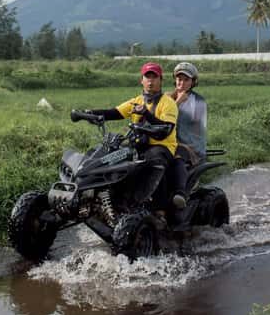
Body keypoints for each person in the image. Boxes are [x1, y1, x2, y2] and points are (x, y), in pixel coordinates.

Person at [85, 62, 179, 213]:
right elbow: (114, 112)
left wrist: (146, 114)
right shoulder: (137, 101)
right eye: (147, 77)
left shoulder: (168, 103)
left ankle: (147, 204)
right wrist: (89, 113)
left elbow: (165, 130)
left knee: (151, 160)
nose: (150, 81)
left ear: (161, 80)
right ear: (141, 80)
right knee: (111, 156)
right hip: (138, 144)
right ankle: (106, 196)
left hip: (162, 146)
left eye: (154, 77)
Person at [167, 61, 208, 208]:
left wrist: (177, 103)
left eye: (186, 79)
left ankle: (181, 194)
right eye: (179, 79)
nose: (181, 82)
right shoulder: (166, 97)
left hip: (190, 147)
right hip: (168, 144)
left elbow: (171, 116)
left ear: (193, 82)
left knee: (177, 155)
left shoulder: (198, 102)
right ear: (174, 79)